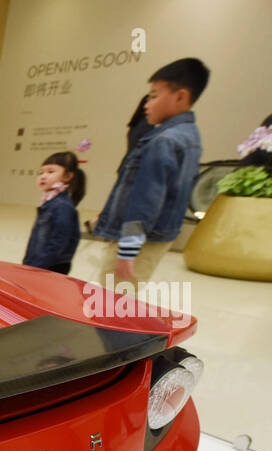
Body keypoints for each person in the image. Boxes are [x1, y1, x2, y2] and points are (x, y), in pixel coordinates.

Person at [92, 57, 209, 285]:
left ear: (181, 96)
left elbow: (146, 198)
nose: (146, 104)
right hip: (156, 236)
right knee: (121, 300)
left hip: (138, 241)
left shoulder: (164, 141)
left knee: (112, 302)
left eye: (154, 96)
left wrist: (127, 251)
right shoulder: (190, 136)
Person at [22, 152, 85, 274]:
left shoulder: (62, 206)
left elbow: (59, 243)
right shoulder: (49, 202)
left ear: (67, 176)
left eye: (50, 172)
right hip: (38, 263)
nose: (43, 176)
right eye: (41, 173)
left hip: (50, 267)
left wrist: (37, 266)